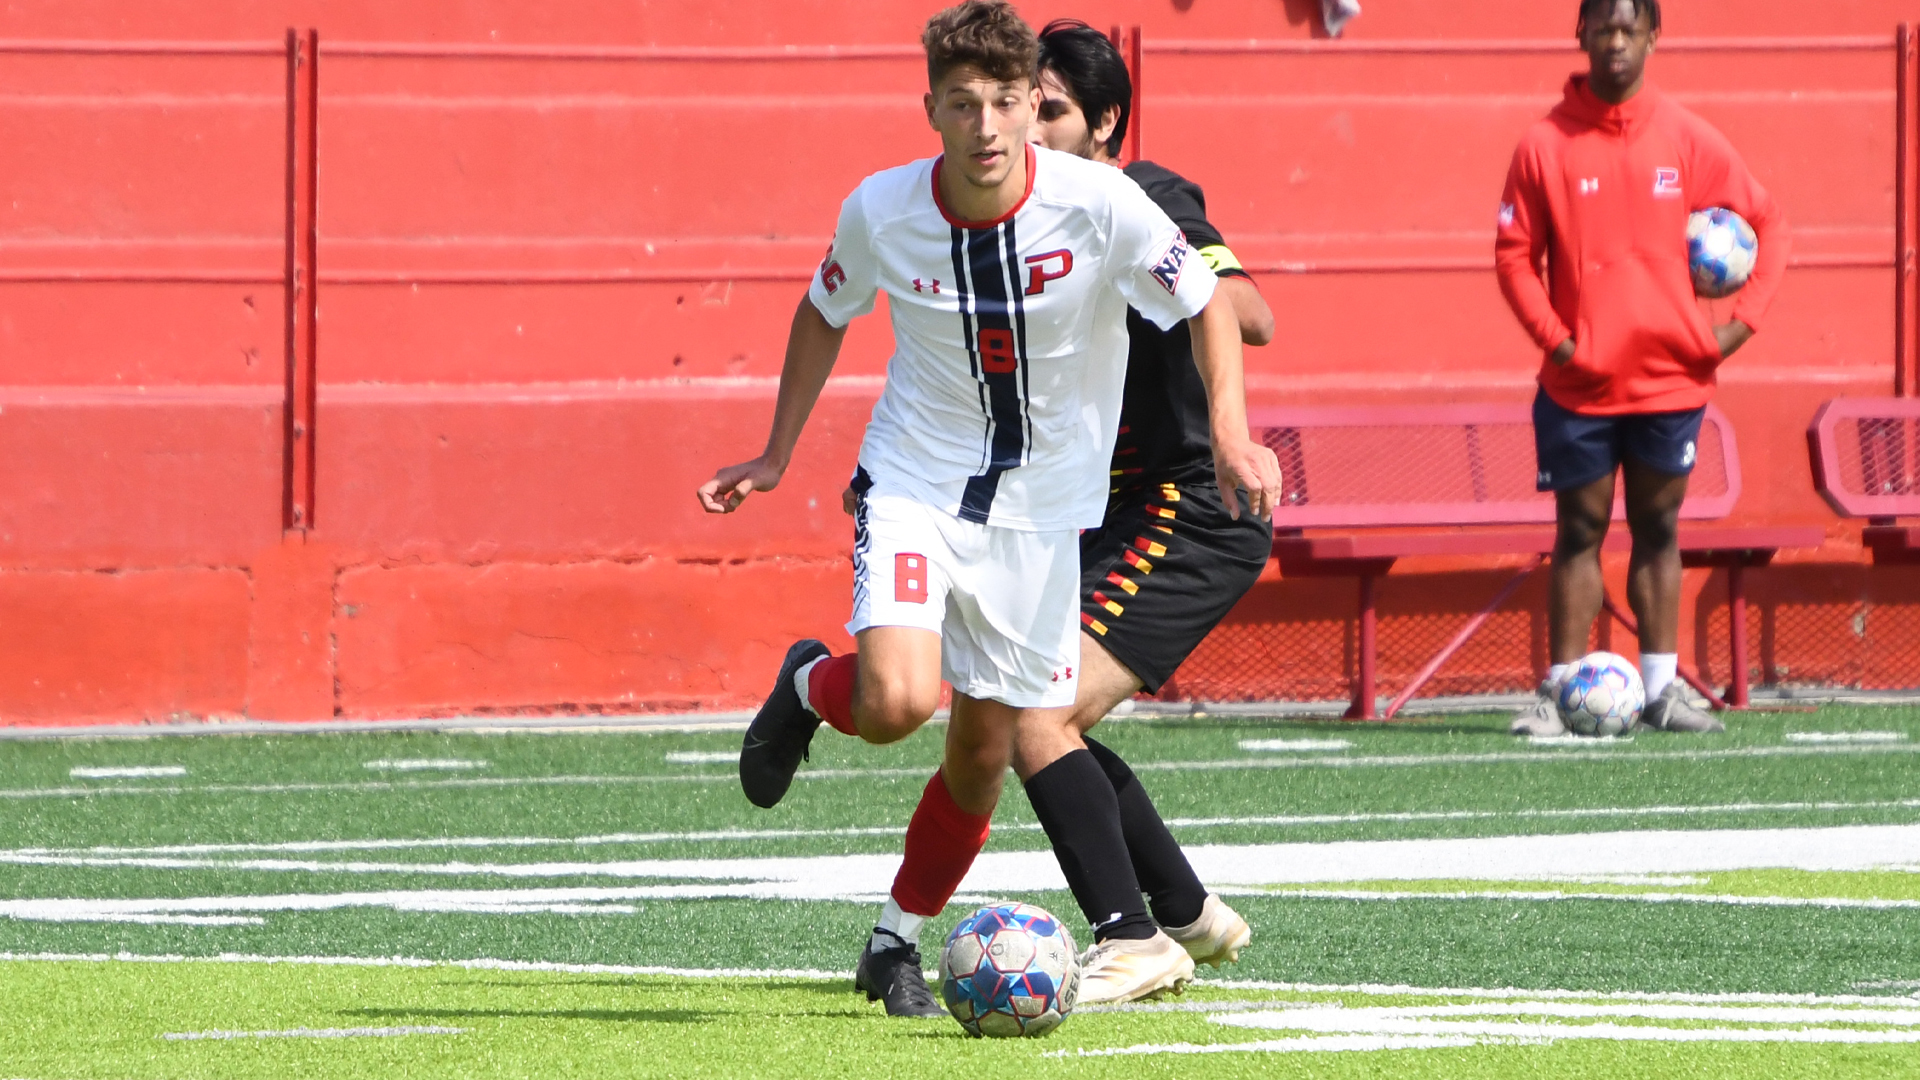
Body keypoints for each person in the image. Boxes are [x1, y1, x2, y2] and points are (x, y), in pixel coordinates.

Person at [694, 1, 1279, 1014]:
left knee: (984, 746)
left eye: (1008, 102)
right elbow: (823, 310)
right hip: (916, 485)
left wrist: (1230, 432)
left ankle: (893, 943)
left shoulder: (1106, 204)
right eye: (964, 105)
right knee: (896, 703)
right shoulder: (883, 209)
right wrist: (776, 452)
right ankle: (809, 692)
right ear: (931, 111)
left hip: (1045, 520)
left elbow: (1211, 306)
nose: (990, 127)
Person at [1495, 0, 1787, 736]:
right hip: (1580, 386)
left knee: (1659, 528)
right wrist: (1560, 342)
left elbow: (1769, 223)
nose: (1615, 41)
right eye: (1603, 26)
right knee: (1579, 531)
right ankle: (1560, 695)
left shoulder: (1688, 139)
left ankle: (1662, 692)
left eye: (1630, 28)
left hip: (1670, 382)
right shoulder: (1544, 144)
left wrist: (1734, 329)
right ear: (1581, 35)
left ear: (1654, 37)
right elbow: (1514, 256)